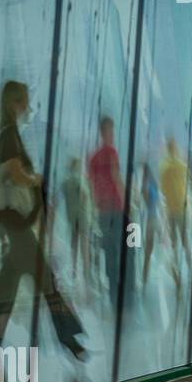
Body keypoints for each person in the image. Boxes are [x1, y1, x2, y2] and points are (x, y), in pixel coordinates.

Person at [0, 81, 87, 364]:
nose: (28, 106)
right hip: (18, 225)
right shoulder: (10, 135)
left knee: (8, 285)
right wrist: (34, 178)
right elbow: (15, 174)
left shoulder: (7, 134)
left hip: (15, 225)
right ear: (15, 103)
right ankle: (68, 337)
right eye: (24, 100)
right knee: (46, 279)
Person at [88, 113, 126, 317]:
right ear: (105, 131)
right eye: (110, 130)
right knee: (121, 252)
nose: (112, 134)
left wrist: (97, 206)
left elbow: (92, 186)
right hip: (116, 210)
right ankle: (123, 298)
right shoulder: (111, 152)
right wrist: (127, 202)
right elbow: (116, 178)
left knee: (109, 255)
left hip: (102, 212)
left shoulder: (92, 158)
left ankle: (113, 299)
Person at [59, 156, 92, 284]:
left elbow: (59, 197)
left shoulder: (65, 182)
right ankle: (86, 272)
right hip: (82, 216)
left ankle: (73, 269)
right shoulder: (79, 179)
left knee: (74, 243)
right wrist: (85, 207)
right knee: (84, 244)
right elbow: (83, 194)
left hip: (71, 217)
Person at [159, 137, 188, 272]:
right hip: (180, 207)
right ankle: (189, 262)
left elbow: (163, 189)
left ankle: (176, 263)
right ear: (174, 149)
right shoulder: (181, 165)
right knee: (184, 239)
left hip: (170, 208)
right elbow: (186, 184)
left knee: (174, 240)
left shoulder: (163, 167)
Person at [140, 162, 160, 284]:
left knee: (148, 251)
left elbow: (146, 203)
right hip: (155, 218)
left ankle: (144, 278)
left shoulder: (146, 186)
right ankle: (144, 277)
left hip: (150, 220)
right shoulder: (154, 184)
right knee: (151, 249)